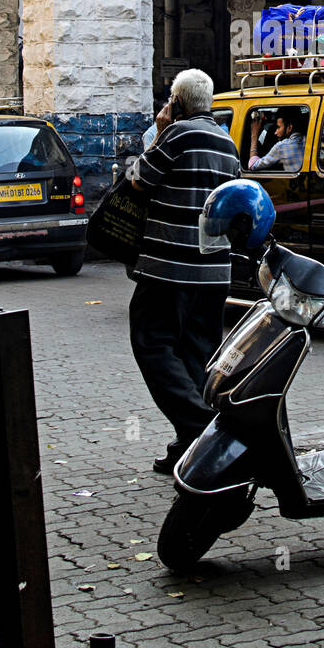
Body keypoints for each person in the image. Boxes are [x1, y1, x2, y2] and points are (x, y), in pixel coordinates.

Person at [126, 68, 240, 474]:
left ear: (175, 103)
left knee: (153, 344)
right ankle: (193, 448)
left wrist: (158, 130)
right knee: (198, 355)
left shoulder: (177, 134)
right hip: (212, 272)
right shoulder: (227, 143)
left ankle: (199, 429)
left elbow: (139, 179)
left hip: (169, 269)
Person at [248, 107, 305, 171]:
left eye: (278, 127)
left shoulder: (282, 146)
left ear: (289, 127)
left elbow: (253, 165)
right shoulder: (306, 139)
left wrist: (254, 135)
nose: (275, 132)